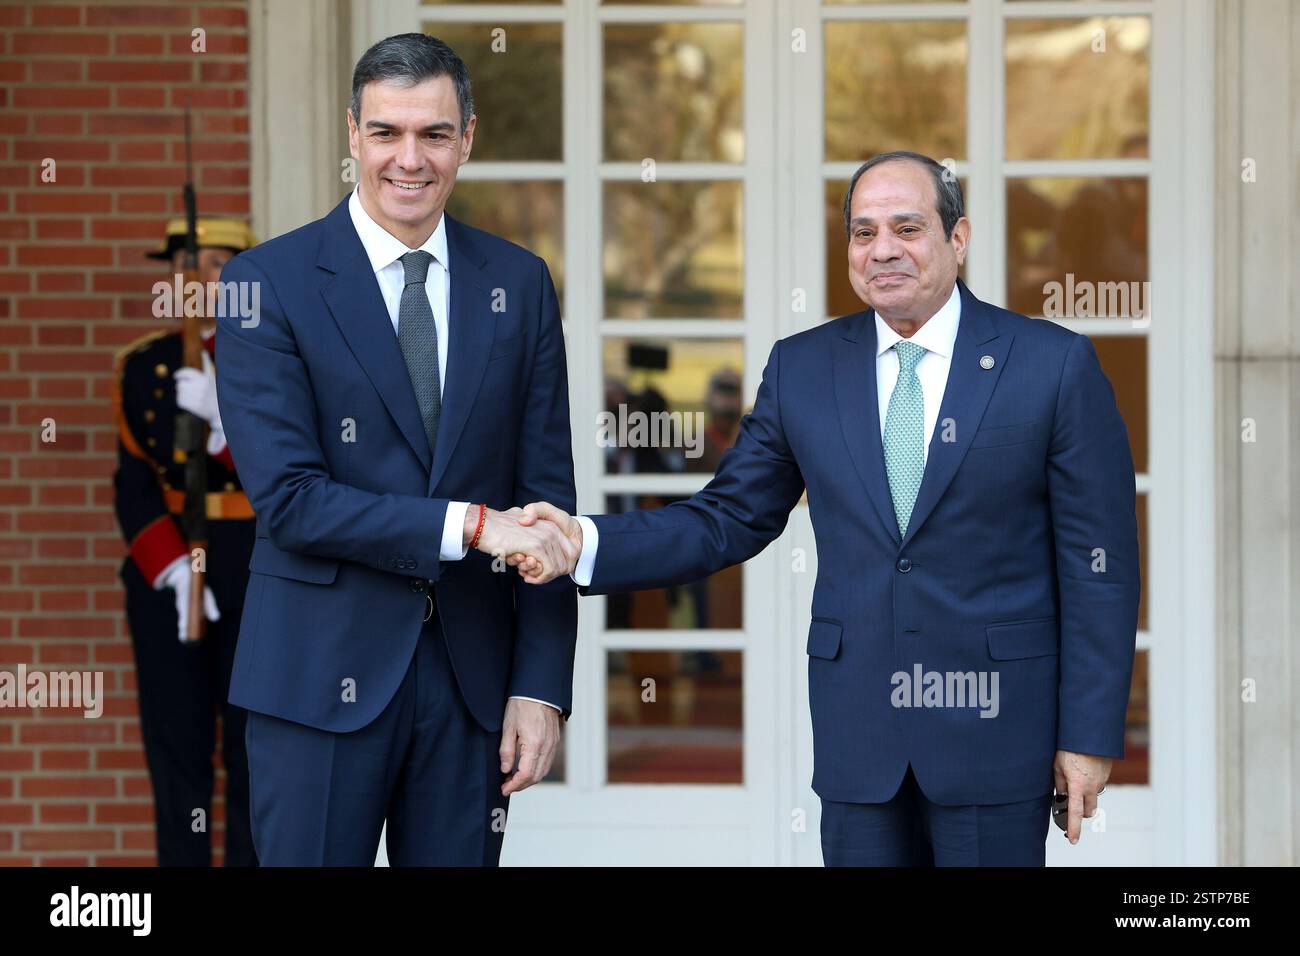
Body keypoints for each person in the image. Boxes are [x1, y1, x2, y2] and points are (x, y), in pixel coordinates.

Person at [510, 151, 1140, 867]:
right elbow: (728, 516)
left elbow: (1101, 570)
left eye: (908, 228)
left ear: (957, 240)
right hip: (860, 742)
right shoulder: (804, 368)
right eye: (864, 233)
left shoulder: (1052, 365)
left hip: (996, 734)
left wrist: (1087, 736)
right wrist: (582, 543)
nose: (884, 250)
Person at [213, 34, 579, 866]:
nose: (409, 159)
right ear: (352, 135)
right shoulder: (264, 285)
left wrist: (539, 685)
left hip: (472, 684)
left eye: (434, 135)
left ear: (468, 138)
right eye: (387, 133)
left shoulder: (517, 284)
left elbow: (549, 501)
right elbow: (293, 501)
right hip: (315, 679)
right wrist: (477, 527)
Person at [112, 216, 260, 866]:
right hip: (174, 566)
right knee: (176, 747)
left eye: (218, 263)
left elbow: (300, 470)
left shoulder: (275, 354)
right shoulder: (142, 364)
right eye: (187, 263)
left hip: (257, 564)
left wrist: (226, 422)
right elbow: (133, 481)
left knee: (255, 747)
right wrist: (172, 571)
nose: (200, 277)